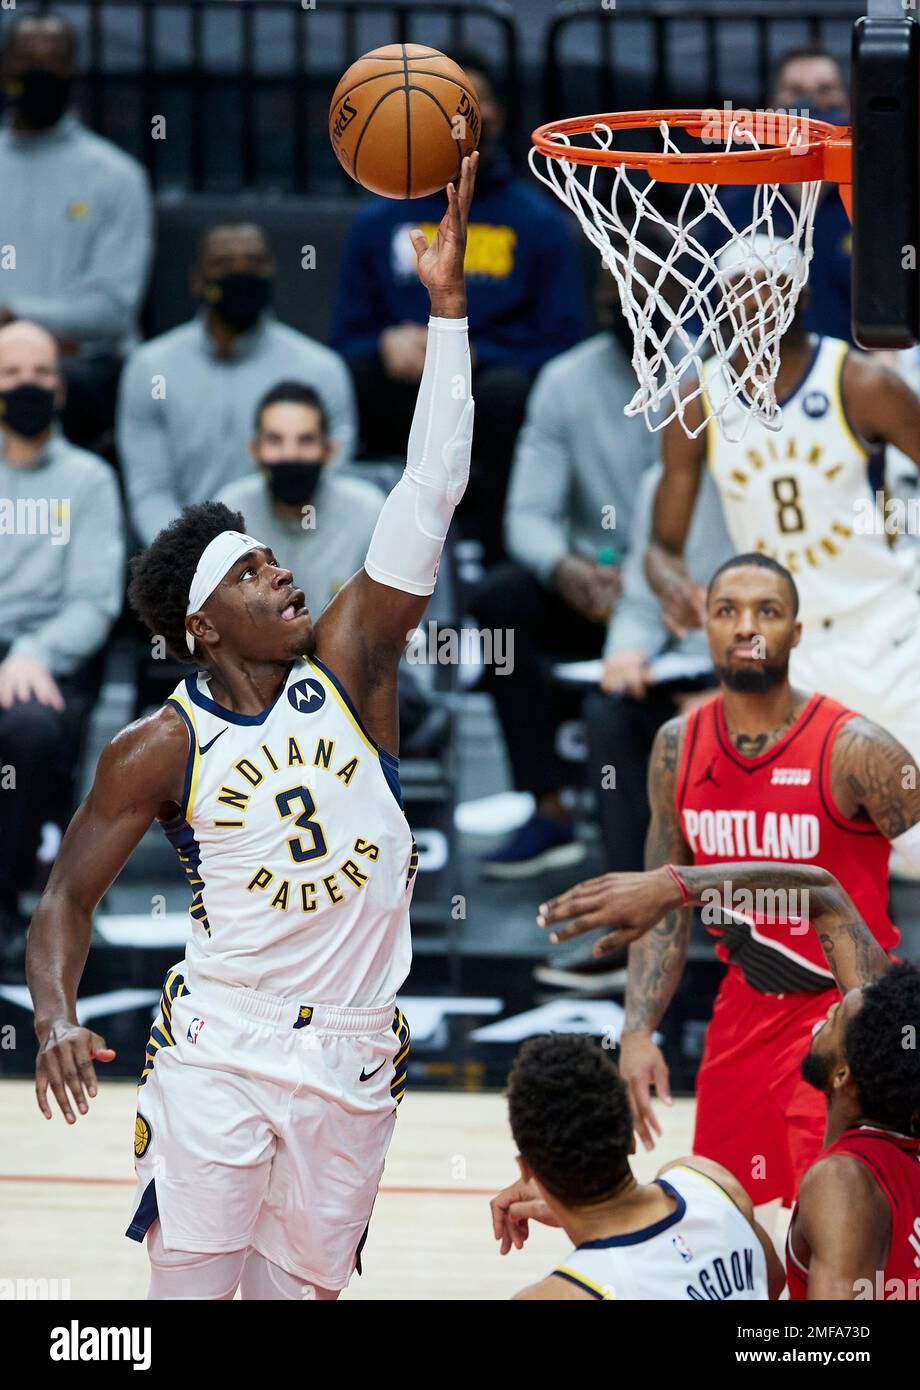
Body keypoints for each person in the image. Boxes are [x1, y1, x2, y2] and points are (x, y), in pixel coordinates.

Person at [27, 154, 478, 1301]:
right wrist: (55, 1018)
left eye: (280, 561)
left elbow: (429, 489)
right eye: (253, 571)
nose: (284, 576)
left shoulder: (349, 660)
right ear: (199, 619)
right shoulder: (157, 744)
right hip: (220, 1045)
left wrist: (447, 313)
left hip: (357, 1050)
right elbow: (66, 898)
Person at [543, 552, 920, 1209]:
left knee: (831, 1224)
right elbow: (666, 909)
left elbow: (672, 887)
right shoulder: (675, 747)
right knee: (725, 1223)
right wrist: (637, 1032)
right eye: (728, 611)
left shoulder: (855, 749)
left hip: (840, 1019)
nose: (747, 627)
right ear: (704, 627)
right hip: (741, 1014)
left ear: (796, 632)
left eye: (767, 612)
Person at [536, 862, 920, 1300]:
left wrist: (676, 887)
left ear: (843, 1073)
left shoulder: (842, 1181)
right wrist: (584, 1206)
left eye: (837, 1017)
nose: (830, 1008)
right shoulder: (897, 1113)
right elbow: (824, 897)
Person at [647, 238, 920, 768]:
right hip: (784, 652)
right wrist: (672, 585)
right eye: (736, 292)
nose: (749, 306)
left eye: (764, 292)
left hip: (885, 633)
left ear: (800, 297)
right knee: (803, 844)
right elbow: (662, 546)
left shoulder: (860, 382)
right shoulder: (697, 400)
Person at [331, 52, 586, 563]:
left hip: (489, 394)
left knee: (504, 396)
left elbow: (564, 346)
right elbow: (343, 338)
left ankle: (490, 560)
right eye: (443, 100)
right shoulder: (377, 219)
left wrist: (476, 354)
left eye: (474, 100)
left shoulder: (538, 222)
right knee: (348, 379)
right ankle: (368, 558)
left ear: (495, 115)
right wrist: (383, 344)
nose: (459, 113)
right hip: (402, 387)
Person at [471, 281, 657, 879]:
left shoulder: (711, 374)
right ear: (601, 294)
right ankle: (548, 809)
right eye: (617, 284)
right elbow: (525, 517)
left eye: (650, 282)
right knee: (501, 599)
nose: (632, 298)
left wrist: (654, 582)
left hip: (682, 591)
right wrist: (566, 566)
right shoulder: (564, 381)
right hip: (593, 588)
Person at [537, 461, 731, 992]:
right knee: (611, 712)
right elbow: (644, 602)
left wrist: (734, 693)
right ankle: (632, 924)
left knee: (728, 728)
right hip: (683, 665)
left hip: (773, 673)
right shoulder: (663, 482)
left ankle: (764, 930)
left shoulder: (790, 474)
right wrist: (626, 651)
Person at [0, 321, 125, 960]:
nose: (29, 386)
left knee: (28, 728)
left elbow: (95, 601)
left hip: (49, 656)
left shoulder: (90, 481)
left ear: (62, 389)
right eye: (12, 375)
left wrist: (34, 652)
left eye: (42, 375)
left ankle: (8, 898)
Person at [490, 1033, 783, 1301]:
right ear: (630, 1138)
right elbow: (771, 1279)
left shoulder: (559, 1295)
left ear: (527, 1170)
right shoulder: (710, 1182)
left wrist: (568, 1201)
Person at [117, 222, 356, 547]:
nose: (241, 273)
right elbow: (150, 492)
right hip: (189, 562)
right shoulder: (150, 368)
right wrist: (196, 562)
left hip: (290, 553)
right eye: (224, 264)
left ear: (272, 271)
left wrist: (263, 563)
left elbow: (326, 481)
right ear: (198, 280)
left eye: (255, 262)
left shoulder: (321, 370)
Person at [0, 11, 154, 448]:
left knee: (39, 383)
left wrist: (18, 320)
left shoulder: (115, 176)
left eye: (54, 63)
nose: (40, 74)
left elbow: (112, 310)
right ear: (4, 70)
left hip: (85, 369)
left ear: (74, 73)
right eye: (28, 62)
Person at [699, 47, 852, 343]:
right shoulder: (734, 206)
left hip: (868, 377)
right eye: (796, 91)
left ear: (847, 105)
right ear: (773, 109)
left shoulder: (880, 204)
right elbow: (705, 307)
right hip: (764, 375)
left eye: (825, 89)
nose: (812, 102)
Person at [217, 380, 383, 620]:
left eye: (305, 440)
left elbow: (395, 626)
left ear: (329, 451)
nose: (290, 454)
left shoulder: (369, 513)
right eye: (275, 440)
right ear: (254, 449)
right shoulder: (231, 513)